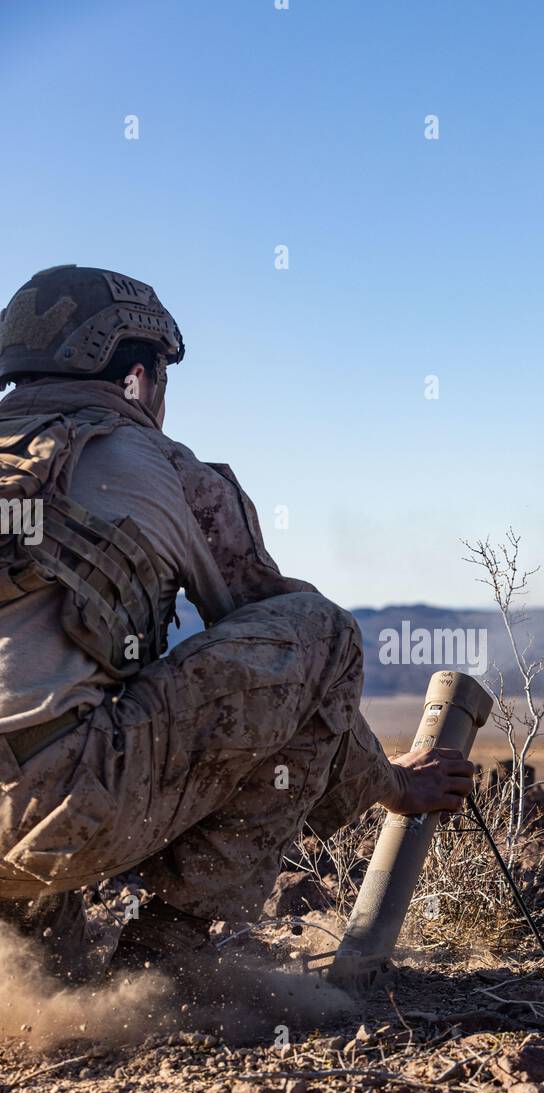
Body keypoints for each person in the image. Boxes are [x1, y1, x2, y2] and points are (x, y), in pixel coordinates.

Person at [0, 265, 474, 978]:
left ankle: (45, 973)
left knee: (52, 987)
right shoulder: (167, 469)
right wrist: (390, 783)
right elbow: (298, 672)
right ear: (139, 374)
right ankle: (168, 960)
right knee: (323, 632)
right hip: (56, 815)